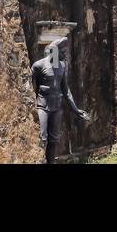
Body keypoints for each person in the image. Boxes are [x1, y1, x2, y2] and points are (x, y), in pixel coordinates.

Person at [29, 36, 88, 164]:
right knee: (42, 138)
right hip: (42, 105)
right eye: (63, 52)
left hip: (56, 107)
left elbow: (66, 90)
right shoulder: (39, 65)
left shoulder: (61, 66)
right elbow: (29, 86)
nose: (65, 55)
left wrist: (76, 109)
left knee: (54, 139)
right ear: (54, 51)